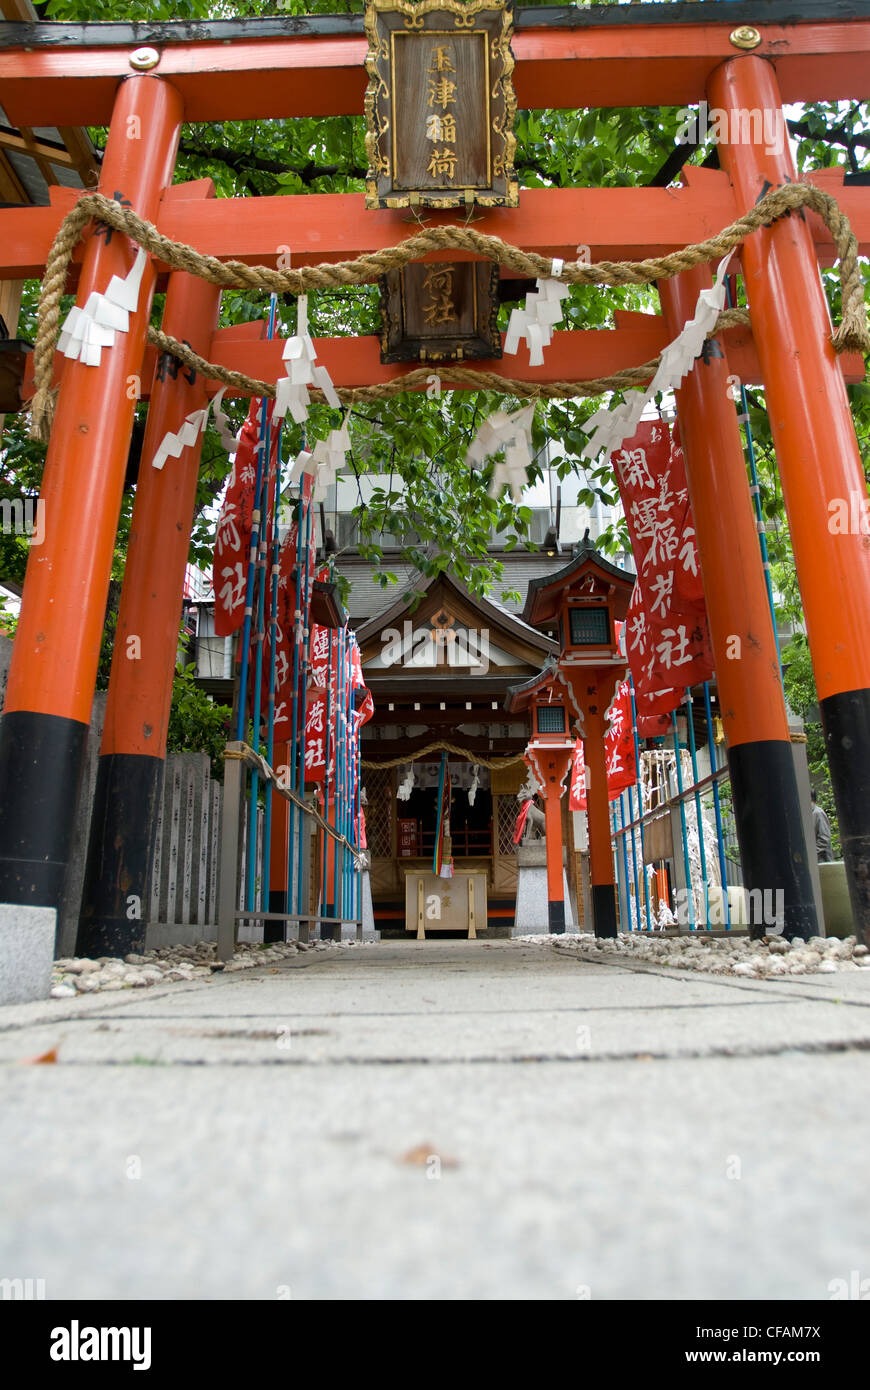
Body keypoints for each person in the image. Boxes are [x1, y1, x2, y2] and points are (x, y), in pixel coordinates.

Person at [811, 788, 834, 863]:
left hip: (822, 860)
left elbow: (824, 838)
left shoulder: (818, 813)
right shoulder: (810, 813)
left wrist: (812, 854)